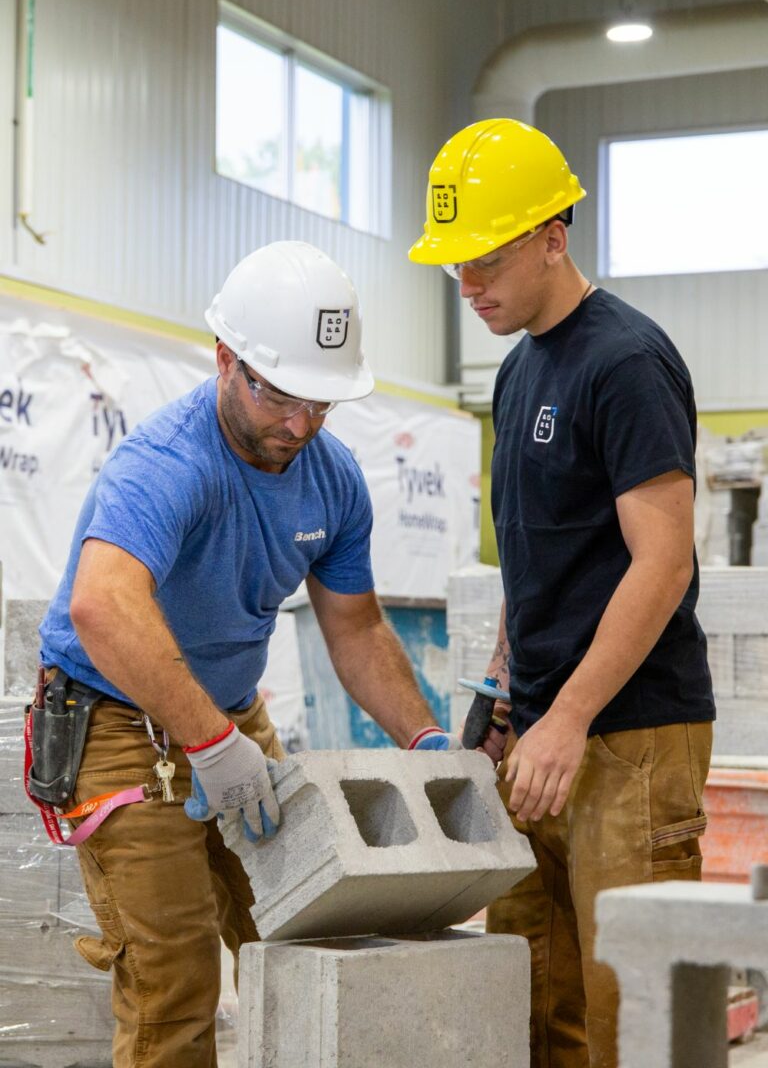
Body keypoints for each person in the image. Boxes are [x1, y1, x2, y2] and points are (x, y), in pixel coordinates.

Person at [31, 240, 458, 1068]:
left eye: (323, 404)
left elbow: (359, 629)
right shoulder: (166, 464)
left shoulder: (331, 479)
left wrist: (425, 743)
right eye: (283, 398)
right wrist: (212, 743)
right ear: (226, 360)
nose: (301, 425)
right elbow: (102, 605)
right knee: (175, 979)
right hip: (118, 726)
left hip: (227, 718)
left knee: (299, 929)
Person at [408, 120, 715, 1068]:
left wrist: (570, 715)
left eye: (486, 259)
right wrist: (506, 696)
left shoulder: (624, 362)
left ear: (554, 234)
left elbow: (661, 561)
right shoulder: (516, 372)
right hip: (542, 730)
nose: (469, 286)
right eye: (456, 266)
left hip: (626, 736)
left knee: (635, 1018)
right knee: (536, 1002)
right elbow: (534, 563)